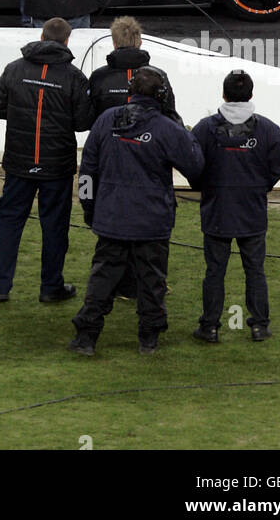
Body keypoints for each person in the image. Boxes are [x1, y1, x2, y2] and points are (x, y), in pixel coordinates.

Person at [70, 68, 204, 355]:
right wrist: (182, 129)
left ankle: (86, 338)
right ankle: (148, 339)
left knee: (103, 279)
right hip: (151, 220)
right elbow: (196, 167)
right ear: (162, 96)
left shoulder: (106, 121)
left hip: (111, 217)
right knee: (152, 280)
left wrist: (90, 209)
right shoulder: (167, 128)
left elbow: (86, 173)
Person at [0, 17, 93, 305]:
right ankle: (50, 287)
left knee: (9, 223)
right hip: (55, 165)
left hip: (20, 163)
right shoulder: (73, 77)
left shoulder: (15, 69)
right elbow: (84, 121)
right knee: (54, 227)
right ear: (66, 41)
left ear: (42, 35)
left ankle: (0, 286)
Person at [190, 70, 280, 344]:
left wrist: (204, 186)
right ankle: (260, 326)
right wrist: (261, 187)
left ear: (223, 94)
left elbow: (192, 163)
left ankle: (210, 327)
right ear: (251, 94)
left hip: (217, 211)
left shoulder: (203, 129)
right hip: (251, 211)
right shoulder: (269, 130)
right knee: (255, 270)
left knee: (215, 271)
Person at [88, 14, 181, 123]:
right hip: (149, 137)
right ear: (140, 43)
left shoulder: (99, 77)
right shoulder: (158, 76)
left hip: (110, 137)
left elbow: (88, 119)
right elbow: (170, 116)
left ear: (114, 44)